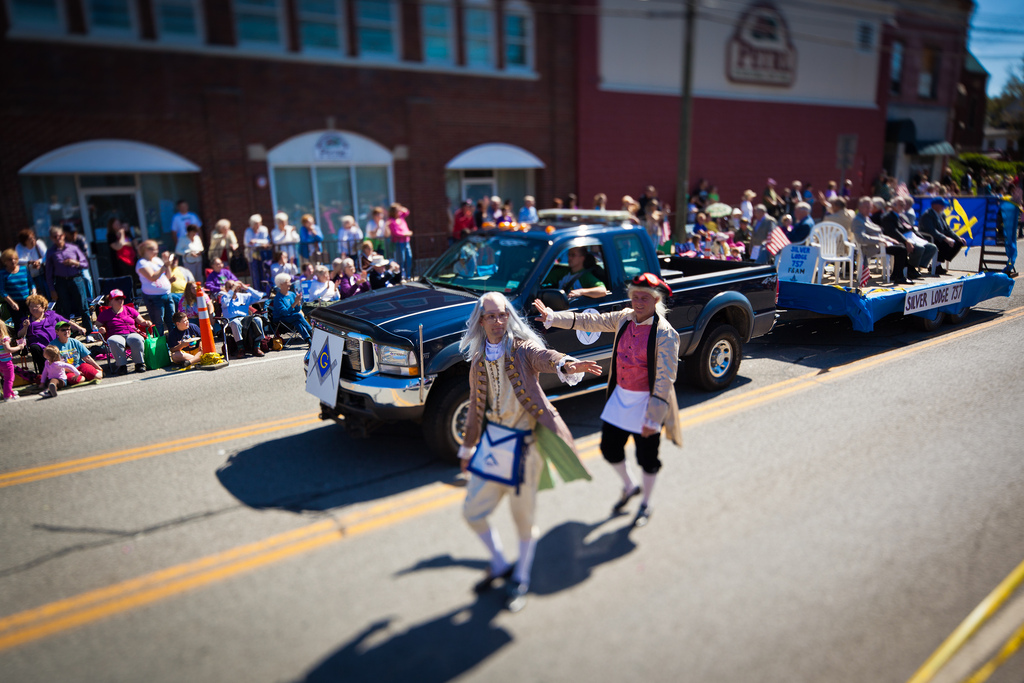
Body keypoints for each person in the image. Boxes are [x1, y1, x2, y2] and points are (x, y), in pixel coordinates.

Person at [457, 291, 601, 609]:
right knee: (472, 511)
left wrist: (566, 362)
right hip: (494, 445)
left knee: (523, 519)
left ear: (509, 317)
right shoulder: (479, 360)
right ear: (480, 321)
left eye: (502, 314)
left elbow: (544, 356)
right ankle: (499, 563)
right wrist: (467, 450)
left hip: (525, 446)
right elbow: (475, 410)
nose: (497, 320)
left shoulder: (521, 350)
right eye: (490, 315)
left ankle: (520, 576)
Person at [533, 272, 682, 527]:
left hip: (648, 402)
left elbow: (665, 380)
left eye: (644, 298)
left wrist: (653, 417)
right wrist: (553, 317)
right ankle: (629, 485)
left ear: (656, 300)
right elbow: (591, 321)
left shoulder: (665, 334)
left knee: (647, 458)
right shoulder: (624, 318)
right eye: (635, 296)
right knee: (609, 448)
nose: (638, 302)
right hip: (620, 397)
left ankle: (646, 503)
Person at [45, 225, 96, 339]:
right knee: (65, 310)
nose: (58, 239)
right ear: (52, 238)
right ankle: (67, 336)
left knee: (83, 306)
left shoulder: (73, 248)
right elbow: (48, 273)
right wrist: (52, 289)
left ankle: (88, 332)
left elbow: (85, 264)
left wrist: (75, 262)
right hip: (61, 281)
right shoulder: (51, 252)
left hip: (76, 279)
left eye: (59, 236)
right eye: (54, 237)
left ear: (63, 236)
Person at [851, 197, 912, 285]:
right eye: (866, 207)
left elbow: (877, 233)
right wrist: (880, 240)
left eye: (870, 207)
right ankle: (899, 276)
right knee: (901, 250)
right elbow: (861, 238)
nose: (869, 209)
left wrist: (888, 239)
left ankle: (897, 275)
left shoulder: (866, 218)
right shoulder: (858, 220)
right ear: (860, 207)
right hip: (870, 247)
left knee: (901, 246)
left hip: (879, 244)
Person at [17, 293, 84, 372]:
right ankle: (44, 372)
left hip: (55, 344)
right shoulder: (27, 320)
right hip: (39, 346)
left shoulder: (52, 316)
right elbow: (20, 335)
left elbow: (67, 322)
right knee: (34, 348)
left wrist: (79, 328)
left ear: (43, 307)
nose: (33, 308)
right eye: (31, 306)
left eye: (36, 306)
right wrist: (25, 327)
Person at [95, 288, 152, 374]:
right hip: (115, 334)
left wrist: (147, 322)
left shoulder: (129, 309)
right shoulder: (105, 313)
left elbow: (141, 321)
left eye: (122, 298)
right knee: (114, 341)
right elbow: (96, 325)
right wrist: (101, 329)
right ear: (111, 301)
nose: (120, 300)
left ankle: (139, 364)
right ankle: (122, 366)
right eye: (117, 299)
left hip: (131, 333)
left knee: (137, 339)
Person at [880, 197, 937, 278]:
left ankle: (915, 266)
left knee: (932, 247)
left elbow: (912, 229)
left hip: (912, 238)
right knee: (919, 248)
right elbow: (893, 232)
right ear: (894, 205)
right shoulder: (888, 217)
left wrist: (922, 239)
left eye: (904, 204)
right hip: (900, 239)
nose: (903, 206)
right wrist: (906, 241)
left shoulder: (903, 216)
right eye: (901, 204)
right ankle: (911, 268)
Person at [135, 240, 175, 335]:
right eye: (154, 249)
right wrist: (164, 266)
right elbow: (152, 277)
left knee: (172, 320)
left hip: (167, 294)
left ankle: (175, 343)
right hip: (154, 297)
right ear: (145, 249)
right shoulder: (142, 263)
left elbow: (168, 276)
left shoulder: (157, 260)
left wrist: (167, 264)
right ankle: (160, 347)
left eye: (157, 249)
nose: (156, 251)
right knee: (158, 323)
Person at [219, 280, 266, 358]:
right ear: (226, 289)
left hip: (245, 319)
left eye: (234, 286)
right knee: (235, 323)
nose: (233, 289)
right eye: (230, 287)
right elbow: (225, 303)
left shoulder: (243, 296)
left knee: (258, 319)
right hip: (230, 320)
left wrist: (246, 288)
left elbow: (259, 296)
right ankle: (241, 348)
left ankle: (257, 347)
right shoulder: (224, 297)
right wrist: (232, 290)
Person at [918, 197, 965, 274]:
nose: (944, 207)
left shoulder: (941, 214)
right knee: (945, 244)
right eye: (942, 205)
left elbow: (947, 229)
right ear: (935, 205)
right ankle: (936, 266)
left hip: (939, 237)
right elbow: (932, 231)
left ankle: (937, 263)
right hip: (930, 238)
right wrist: (945, 238)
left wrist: (958, 238)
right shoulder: (927, 215)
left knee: (958, 243)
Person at [542, 246, 609, 299]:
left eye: (573, 255)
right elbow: (540, 280)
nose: (569, 258)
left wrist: (581, 292)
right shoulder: (562, 272)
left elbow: (602, 291)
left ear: (582, 258)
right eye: (569, 254)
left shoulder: (586, 276)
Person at [269, 272, 312, 342]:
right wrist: (295, 303)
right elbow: (284, 312)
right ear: (281, 284)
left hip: (291, 317)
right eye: (287, 282)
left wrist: (298, 303)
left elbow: (298, 310)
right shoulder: (278, 298)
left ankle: (308, 340)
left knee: (297, 321)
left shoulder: (292, 294)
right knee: (297, 316)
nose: (290, 284)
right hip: (280, 319)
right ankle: (311, 331)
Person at [1, 247, 35, 328]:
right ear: (5, 261)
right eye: (10, 259)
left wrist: (34, 293)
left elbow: (31, 283)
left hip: (28, 301)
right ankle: (21, 340)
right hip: (14, 303)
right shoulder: (2, 273)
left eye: (15, 259)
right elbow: (2, 290)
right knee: (19, 324)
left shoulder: (23, 269)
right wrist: (12, 303)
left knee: (33, 321)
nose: (13, 261)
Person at [16, 228, 48, 294]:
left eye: (33, 237)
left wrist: (38, 262)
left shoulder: (39, 243)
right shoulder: (19, 247)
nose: (33, 240)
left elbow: (46, 256)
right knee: (31, 293)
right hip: (27, 276)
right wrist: (30, 262)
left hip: (41, 273)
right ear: (24, 241)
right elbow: (18, 260)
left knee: (46, 290)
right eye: (30, 239)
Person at [0, 319, 26, 401]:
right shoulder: (4, 338)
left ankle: (10, 392)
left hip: (0, 362)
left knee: (5, 378)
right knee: (10, 378)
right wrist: (19, 347)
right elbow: (8, 349)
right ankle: (7, 396)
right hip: (6, 362)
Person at [244, 214, 272, 286]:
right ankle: (258, 290)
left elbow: (267, 241)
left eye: (259, 223)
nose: (258, 225)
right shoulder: (248, 231)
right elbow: (247, 243)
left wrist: (256, 241)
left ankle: (266, 290)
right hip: (252, 255)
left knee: (264, 272)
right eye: (256, 224)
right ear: (252, 224)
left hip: (263, 254)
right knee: (255, 273)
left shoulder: (263, 229)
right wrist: (260, 243)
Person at [999, 185, 1021, 276]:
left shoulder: (1004, 199)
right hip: (1006, 228)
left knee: (1010, 242)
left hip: (1003, 228)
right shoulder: (1008, 199)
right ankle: (1010, 263)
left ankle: (1010, 264)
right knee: (1011, 242)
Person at [388, 203, 414, 277]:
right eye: (397, 211)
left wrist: (400, 207)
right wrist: (406, 233)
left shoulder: (401, 218)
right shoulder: (391, 221)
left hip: (406, 242)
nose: (399, 212)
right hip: (398, 243)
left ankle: (408, 275)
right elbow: (395, 233)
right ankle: (400, 276)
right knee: (401, 260)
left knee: (409, 257)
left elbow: (407, 212)